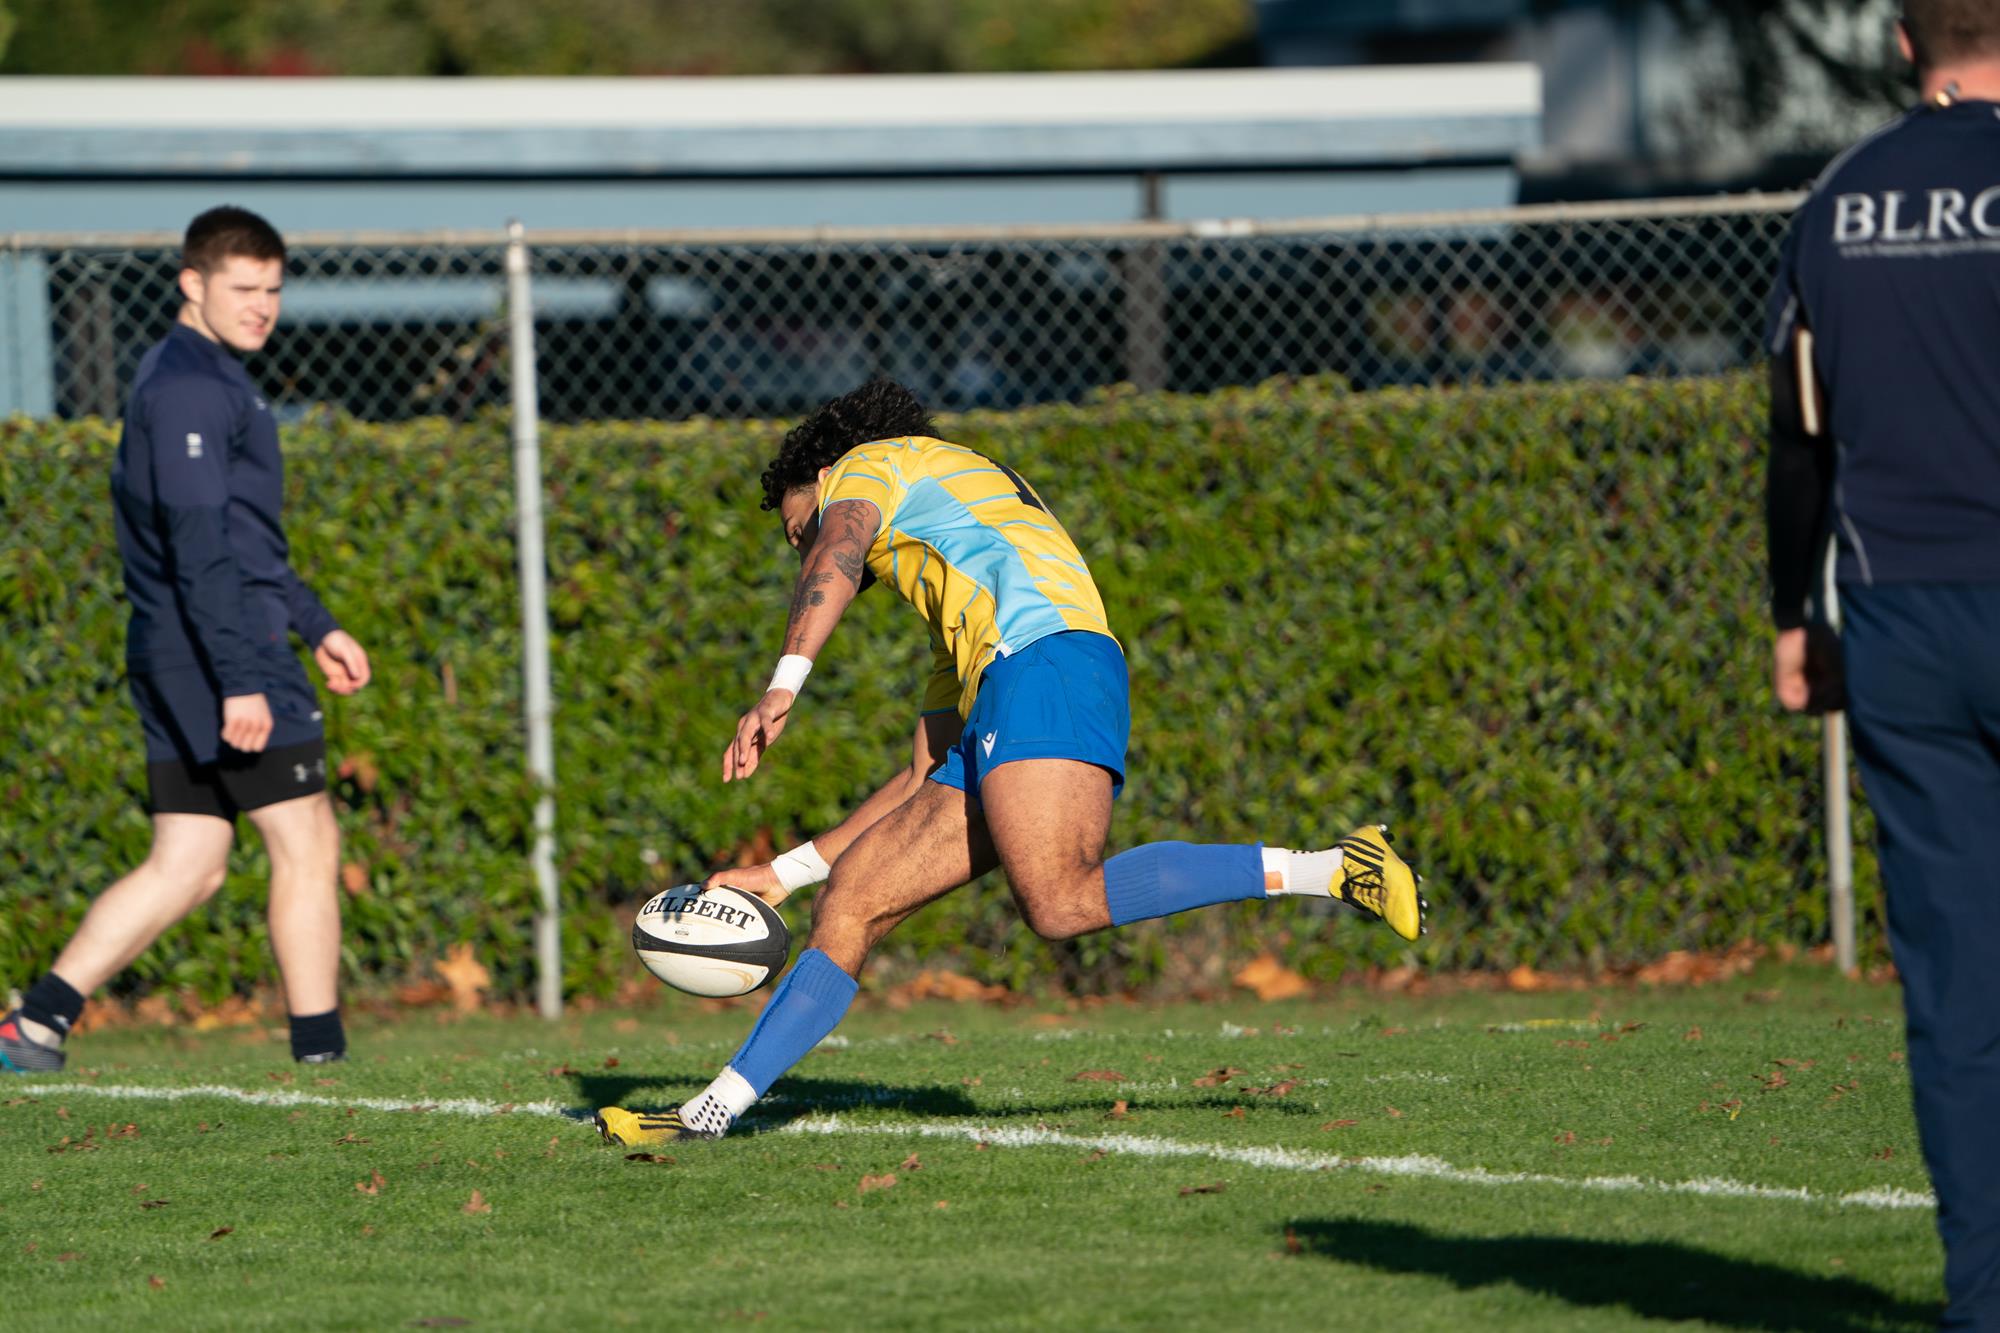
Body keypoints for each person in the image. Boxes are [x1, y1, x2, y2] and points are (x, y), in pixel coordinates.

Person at [595, 378, 1425, 1146]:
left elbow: (838, 550)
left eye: (797, 524)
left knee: (1060, 898)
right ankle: (710, 1113)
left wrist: (782, 686)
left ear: (823, 472)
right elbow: (921, 778)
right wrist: (782, 873)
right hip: (1013, 675)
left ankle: (1332, 868)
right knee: (851, 903)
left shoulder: (868, 468)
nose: (802, 544)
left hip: (1049, 663)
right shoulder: (956, 602)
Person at [0, 206, 371, 1073]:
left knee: (193, 859)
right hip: (218, 650)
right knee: (306, 839)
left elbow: (245, 541)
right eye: (243, 288)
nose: (262, 306)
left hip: (190, 646)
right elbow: (201, 547)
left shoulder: (210, 378)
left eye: (274, 288)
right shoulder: (191, 388)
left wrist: (317, 624)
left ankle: (37, 1022)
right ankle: (322, 1054)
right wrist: (240, 677)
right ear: (191, 284)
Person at [1766, 3, 2000, 1325]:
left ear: (1906, 45)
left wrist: (1793, 610)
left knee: (1960, 993)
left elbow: (1797, 439)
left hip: (1903, 621)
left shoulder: (1842, 198)